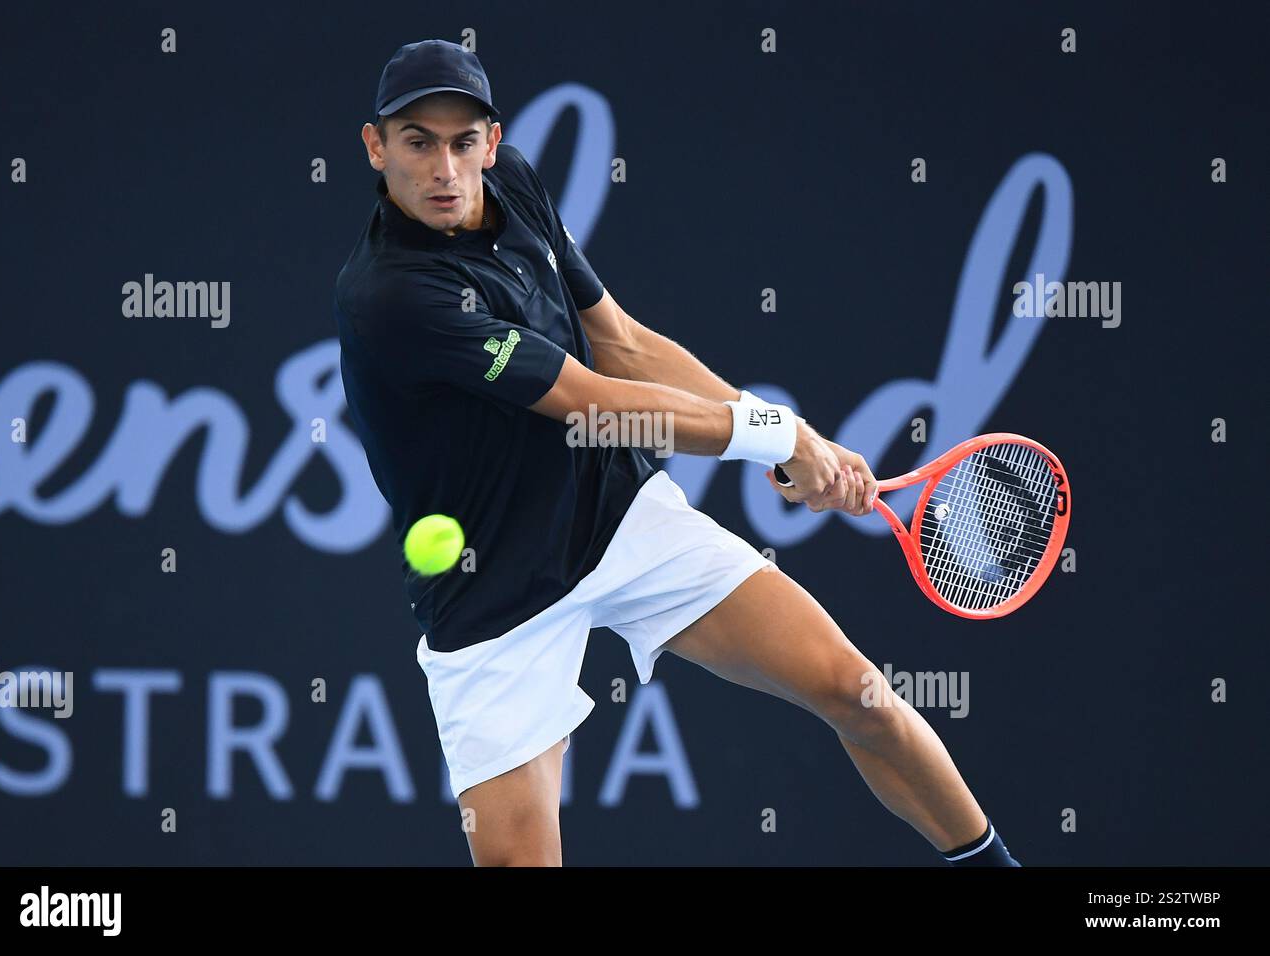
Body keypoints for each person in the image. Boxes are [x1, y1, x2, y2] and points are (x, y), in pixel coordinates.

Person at [333, 39, 1018, 867]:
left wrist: (790, 434)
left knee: (858, 691)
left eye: (462, 140)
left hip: (618, 518)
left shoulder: (511, 181)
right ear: (376, 146)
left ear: (491, 138)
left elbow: (620, 342)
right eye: (417, 141)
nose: (444, 166)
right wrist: (780, 438)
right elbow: (598, 403)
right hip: (490, 596)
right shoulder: (393, 296)